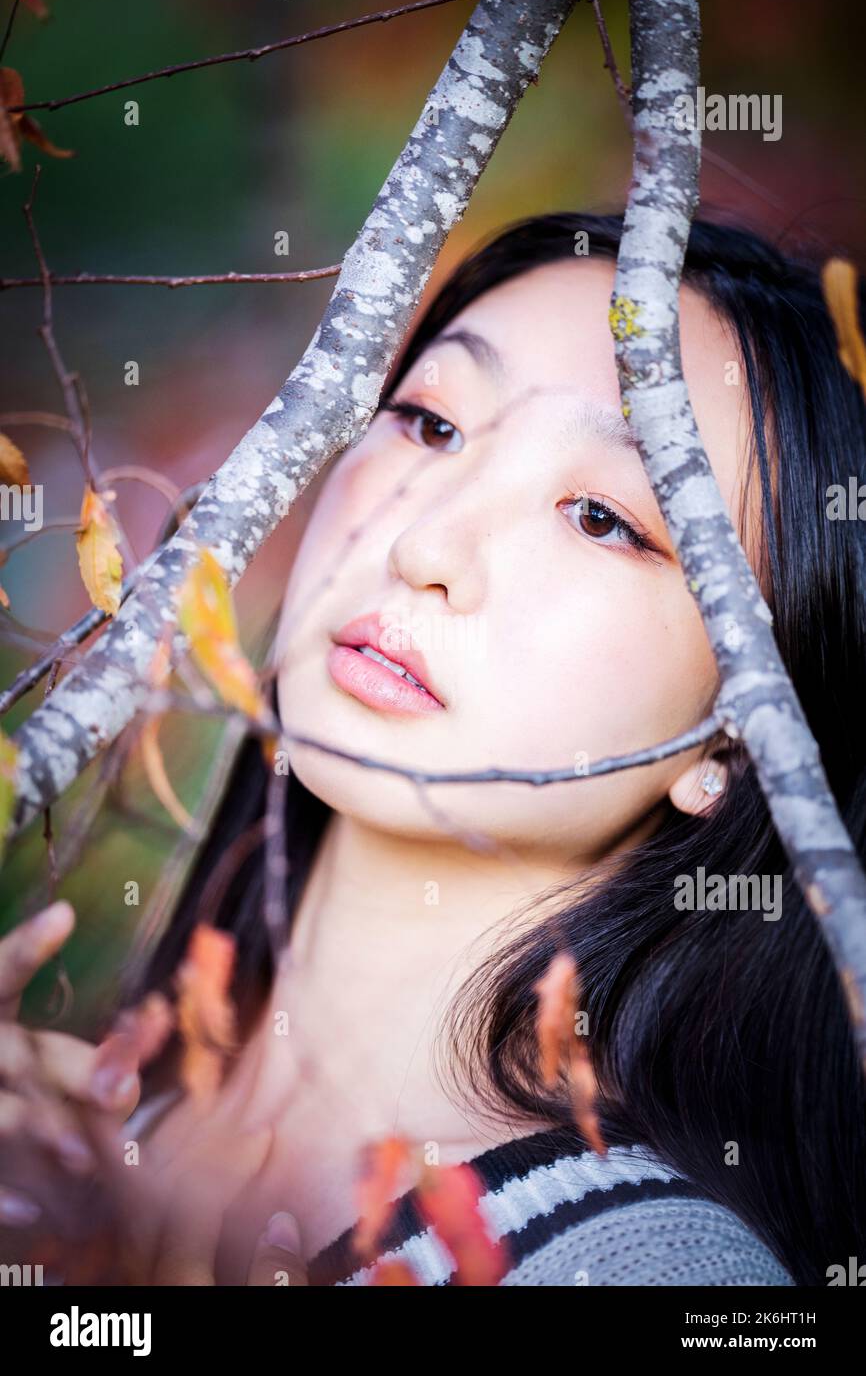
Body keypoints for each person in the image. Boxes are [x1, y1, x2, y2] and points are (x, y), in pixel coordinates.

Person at [2, 212, 864, 1286]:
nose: (424, 545)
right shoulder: (62, 1124)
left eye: (598, 515)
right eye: (428, 423)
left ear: (737, 745)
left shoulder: (653, 1271)